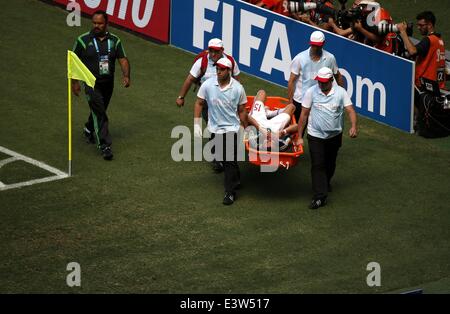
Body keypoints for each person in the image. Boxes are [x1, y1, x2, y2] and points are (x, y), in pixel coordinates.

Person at [72, 10, 130, 160]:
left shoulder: (115, 41)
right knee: (100, 113)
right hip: (91, 83)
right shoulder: (83, 40)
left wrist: (126, 75)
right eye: (94, 23)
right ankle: (104, 146)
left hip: (108, 84)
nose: (96, 26)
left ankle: (88, 128)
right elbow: (73, 61)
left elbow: (122, 59)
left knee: (100, 110)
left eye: (99, 23)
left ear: (106, 24)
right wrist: (75, 82)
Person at [296, 67, 357, 209]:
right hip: (315, 134)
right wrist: (299, 136)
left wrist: (354, 126)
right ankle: (319, 196)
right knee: (318, 164)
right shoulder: (311, 92)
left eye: (324, 82)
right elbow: (304, 115)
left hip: (334, 135)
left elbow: (350, 110)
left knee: (330, 163)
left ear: (331, 80)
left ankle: (325, 182)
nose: (321, 84)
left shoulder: (341, 93)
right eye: (320, 82)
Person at [177, 38, 240, 172]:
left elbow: (237, 81)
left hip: (226, 103)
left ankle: (222, 155)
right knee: (215, 127)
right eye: (210, 50)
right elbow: (190, 79)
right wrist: (181, 97)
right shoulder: (202, 62)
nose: (212, 54)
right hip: (208, 103)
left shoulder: (230, 62)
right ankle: (217, 159)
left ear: (222, 51)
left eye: (216, 51)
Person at [193, 58, 248, 205]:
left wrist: (246, 128)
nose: (218, 71)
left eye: (222, 69)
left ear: (229, 71)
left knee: (228, 159)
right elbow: (199, 103)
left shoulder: (238, 88)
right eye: (217, 68)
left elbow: (242, 110)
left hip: (231, 128)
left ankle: (230, 193)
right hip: (214, 128)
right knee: (222, 157)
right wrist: (197, 124)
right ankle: (236, 180)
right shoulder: (208, 84)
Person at [288, 30, 344, 123]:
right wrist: (290, 103)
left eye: (317, 45)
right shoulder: (300, 58)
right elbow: (291, 81)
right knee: (296, 131)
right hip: (299, 102)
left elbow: (338, 76)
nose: (315, 48)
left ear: (323, 44)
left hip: (320, 103)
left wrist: (341, 96)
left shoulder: (330, 58)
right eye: (313, 45)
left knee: (317, 132)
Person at [397, 11, 446, 90]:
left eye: (421, 25)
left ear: (429, 25)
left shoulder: (429, 40)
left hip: (424, 88)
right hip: (437, 87)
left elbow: (412, 51)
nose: (418, 28)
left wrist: (403, 32)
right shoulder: (440, 41)